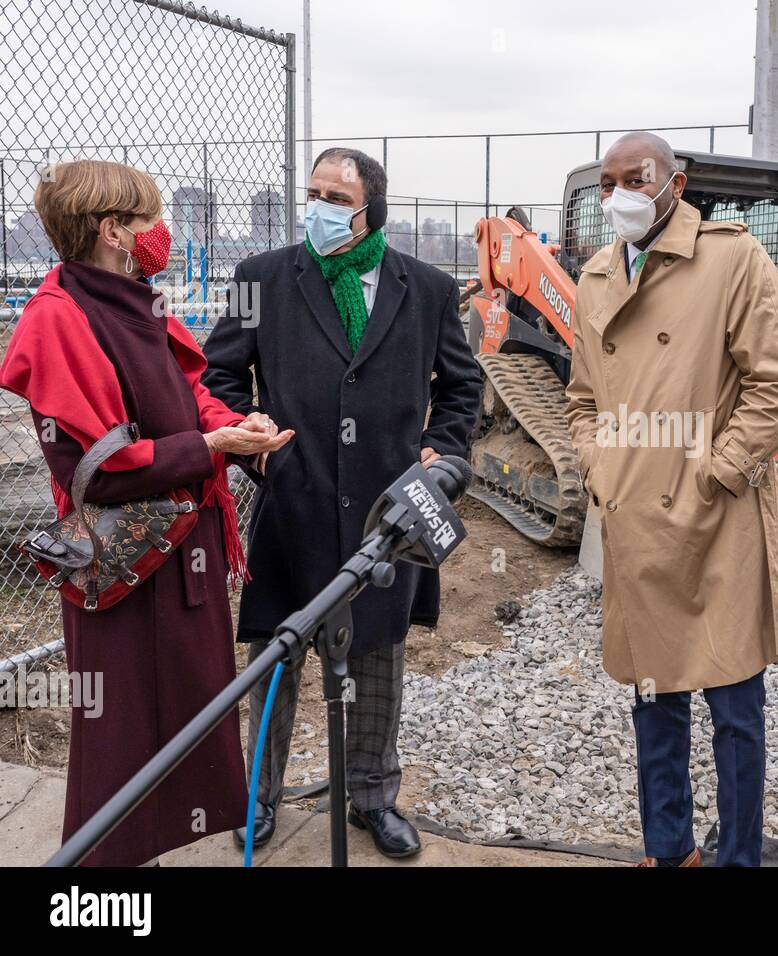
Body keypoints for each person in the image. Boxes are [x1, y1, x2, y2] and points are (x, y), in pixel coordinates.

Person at [0, 159, 292, 866]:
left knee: (182, 723)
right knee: (120, 739)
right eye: (147, 221)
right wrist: (210, 445)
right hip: (124, 569)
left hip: (180, 553)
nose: (160, 233)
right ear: (113, 231)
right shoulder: (57, 320)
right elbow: (92, 471)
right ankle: (101, 886)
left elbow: (189, 400)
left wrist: (235, 430)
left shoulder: (135, 298)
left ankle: (145, 856)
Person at [202, 147, 481, 858]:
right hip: (293, 502)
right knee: (276, 661)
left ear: (371, 209)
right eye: (314, 192)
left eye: (337, 196)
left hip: (389, 515)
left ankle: (371, 799)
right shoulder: (258, 278)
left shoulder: (427, 288)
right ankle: (258, 801)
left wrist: (442, 450)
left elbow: (460, 386)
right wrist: (250, 431)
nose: (320, 207)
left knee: (377, 661)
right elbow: (218, 375)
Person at [564, 131, 778, 867]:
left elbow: (777, 388)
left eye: (634, 179)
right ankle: (667, 850)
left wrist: (719, 471)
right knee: (654, 703)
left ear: (676, 181)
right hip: (633, 515)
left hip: (716, 520)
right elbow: (581, 398)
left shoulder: (733, 259)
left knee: (735, 708)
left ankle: (738, 857)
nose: (620, 197)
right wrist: (597, 467)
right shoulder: (596, 276)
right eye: (607, 184)